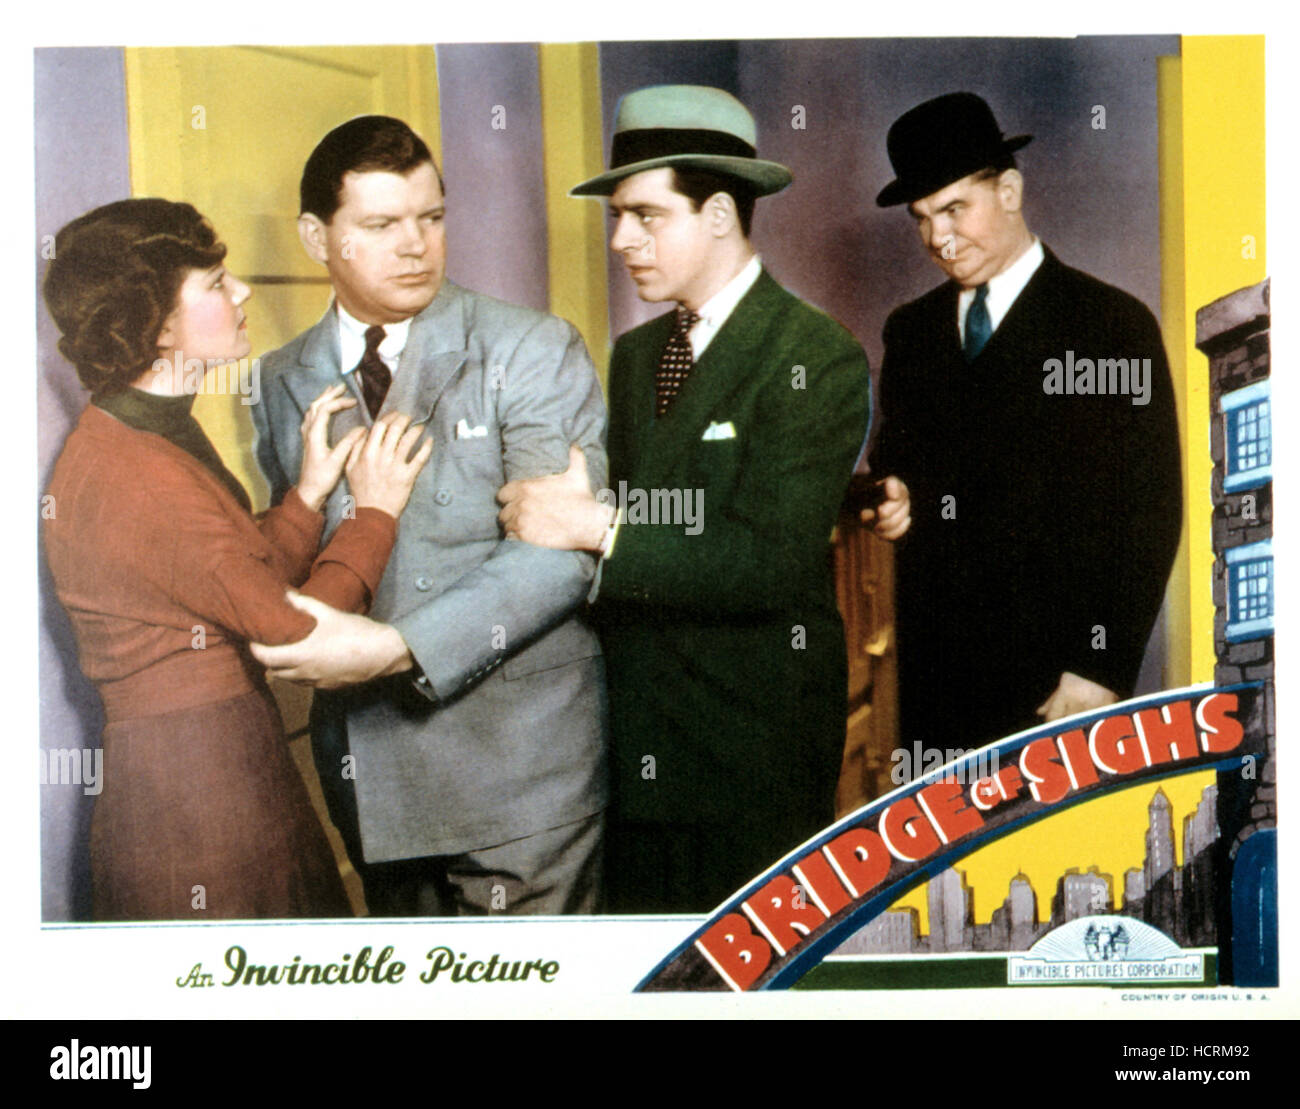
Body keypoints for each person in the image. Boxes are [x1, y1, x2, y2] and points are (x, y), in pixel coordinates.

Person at [497, 85, 872, 913]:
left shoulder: (817, 355)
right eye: (616, 216)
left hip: (752, 756)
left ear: (717, 214)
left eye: (645, 214)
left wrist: (594, 525)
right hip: (635, 750)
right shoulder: (635, 354)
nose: (621, 239)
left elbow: (770, 562)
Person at [248, 116, 609, 916]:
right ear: (318, 236)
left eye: (432, 217)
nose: (417, 245)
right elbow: (291, 560)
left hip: (522, 778)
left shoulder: (532, 346)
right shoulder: (278, 377)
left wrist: (395, 646)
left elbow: (561, 555)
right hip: (371, 780)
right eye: (381, 225)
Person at [42, 198, 431, 921]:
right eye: (216, 283)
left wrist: (309, 494)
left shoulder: (141, 428)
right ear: (156, 323)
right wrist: (374, 512)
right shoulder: (136, 470)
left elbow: (230, 572)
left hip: (212, 776)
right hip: (200, 808)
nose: (242, 290)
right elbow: (290, 631)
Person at [864, 91, 1183, 754]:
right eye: (922, 218)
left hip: (1057, 689)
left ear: (1010, 190)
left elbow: (1150, 508)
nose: (938, 239)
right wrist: (889, 501)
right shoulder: (911, 332)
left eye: (955, 209)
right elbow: (894, 468)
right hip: (930, 693)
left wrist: (1100, 667)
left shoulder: (1111, 324)